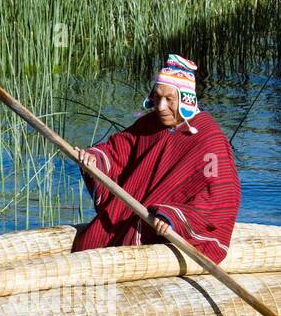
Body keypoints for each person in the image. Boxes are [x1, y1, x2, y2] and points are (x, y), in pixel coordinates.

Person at [71, 54, 241, 264]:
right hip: (128, 217)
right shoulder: (149, 124)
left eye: (169, 99)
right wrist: (94, 159)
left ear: (186, 99)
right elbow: (118, 151)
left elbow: (218, 193)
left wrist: (174, 218)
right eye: (157, 97)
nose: (160, 106)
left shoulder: (208, 139)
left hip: (162, 231)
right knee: (90, 242)